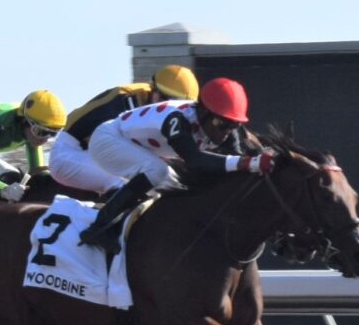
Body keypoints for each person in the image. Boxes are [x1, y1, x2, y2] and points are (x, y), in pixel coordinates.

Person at [77, 77, 274, 252]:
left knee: (175, 184)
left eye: (233, 125)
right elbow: (195, 160)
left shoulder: (223, 126)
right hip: (107, 140)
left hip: (138, 147)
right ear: (204, 112)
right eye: (221, 124)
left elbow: (236, 167)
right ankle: (98, 228)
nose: (226, 132)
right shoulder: (177, 119)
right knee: (158, 171)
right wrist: (248, 163)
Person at [49, 65, 200, 195]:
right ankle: (102, 227)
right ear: (153, 89)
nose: (168, 108)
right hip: (69, 154)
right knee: (125, 180)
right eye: (165, 99)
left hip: (94, 152)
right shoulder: (126, 103)